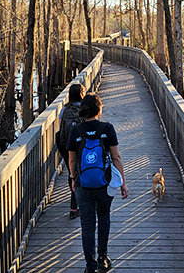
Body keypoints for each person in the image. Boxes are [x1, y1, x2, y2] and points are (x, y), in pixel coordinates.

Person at [68, 93, 128, 273]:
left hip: (82, 185)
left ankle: (90, 266)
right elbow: (116, 157)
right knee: (103, 218)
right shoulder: (107, 128)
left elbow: (72, 160)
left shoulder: (75, 131)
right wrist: (123, 183)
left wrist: (73, 178)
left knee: (87, 225)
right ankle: (103, 258)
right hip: (104, 184)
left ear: (82, 111)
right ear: (99, 109)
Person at [57, 83, 85, 219]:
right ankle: (80, 204)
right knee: (81, 173)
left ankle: (74, 208)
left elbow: (61, 127)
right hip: (82, 148)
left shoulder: (65, 109)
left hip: (66, 147)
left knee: (72, 174)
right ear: (82, 94)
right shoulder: (85, 109)